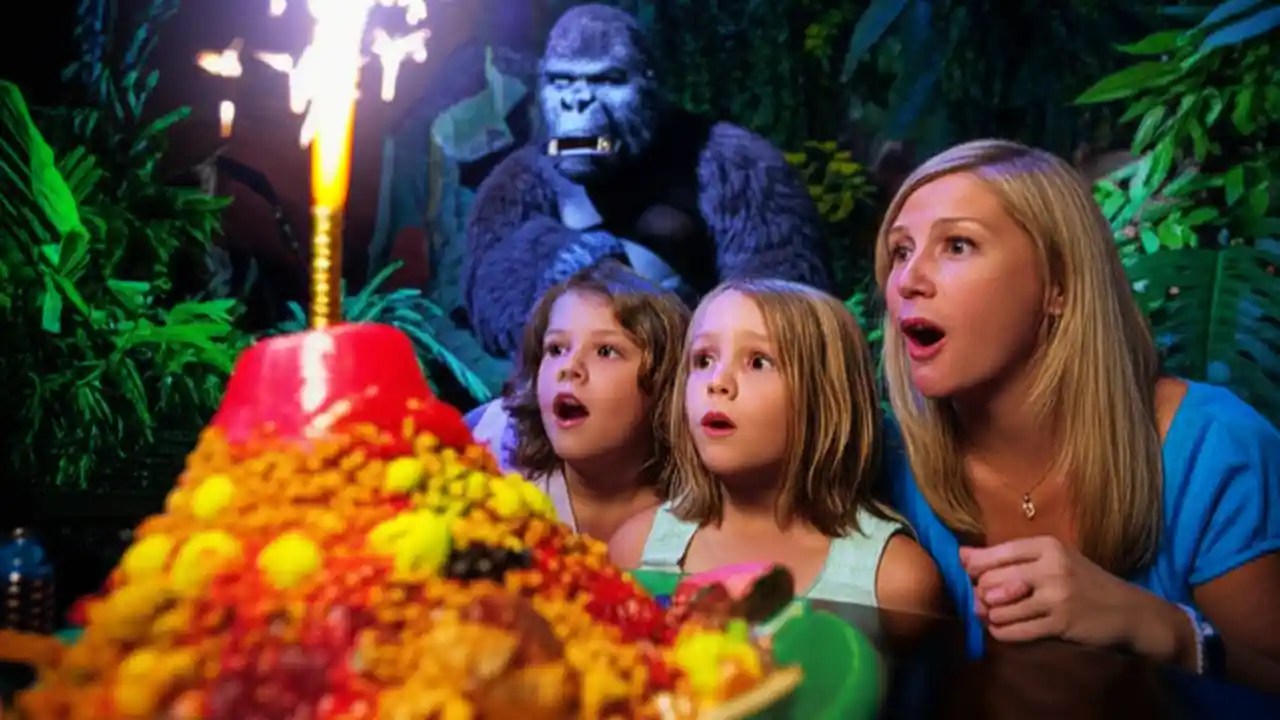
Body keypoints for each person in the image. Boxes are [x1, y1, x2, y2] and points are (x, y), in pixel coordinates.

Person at [876, 138, 1280, 689]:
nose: (907, 280)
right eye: (900, 251)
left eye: (958, 246)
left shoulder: (1217, 451)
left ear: (1059, 286)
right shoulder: (892, 465)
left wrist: (1165, 631)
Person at [610, 279, 945, 613]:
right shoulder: (636, 551)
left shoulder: (894, 582)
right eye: (703, 360)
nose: (718, 383)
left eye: (758, 362)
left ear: (826, 397)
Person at [471, 261, 690, 542]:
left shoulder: (697, 512)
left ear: (666, 382)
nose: (569, 366)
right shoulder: (489, 442)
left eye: (606, 351)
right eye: (556, 348)